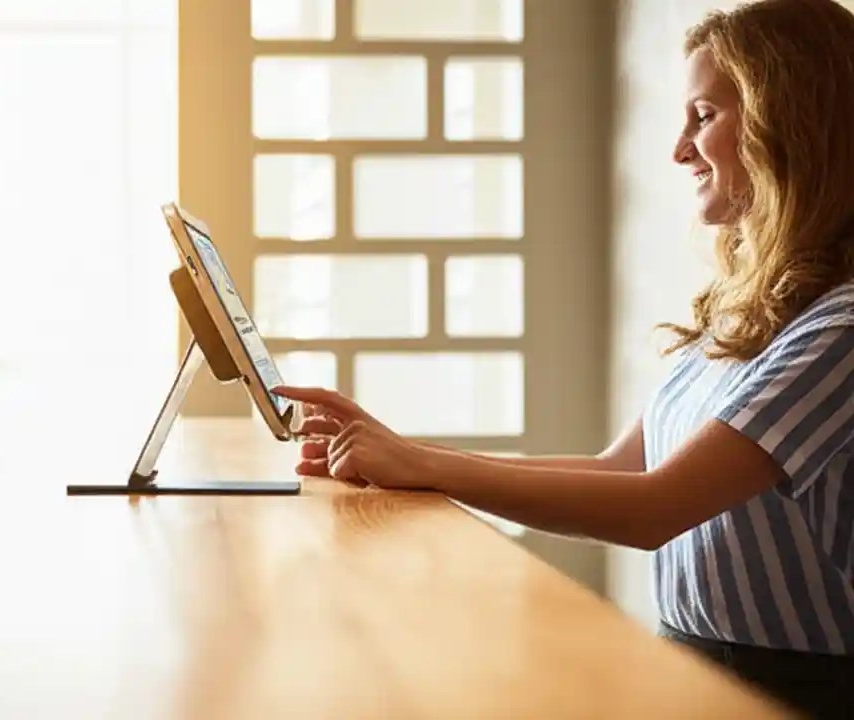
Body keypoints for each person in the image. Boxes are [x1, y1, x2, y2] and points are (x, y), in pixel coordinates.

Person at [272, 0, 854, 715]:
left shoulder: (841, 333)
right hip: (701, 663)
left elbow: (655, 507)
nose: (678, 149)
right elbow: (620, 470)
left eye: (702, 116)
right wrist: (399, 451)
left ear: (787, 123)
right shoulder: (749, 310)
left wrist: (423, 466)